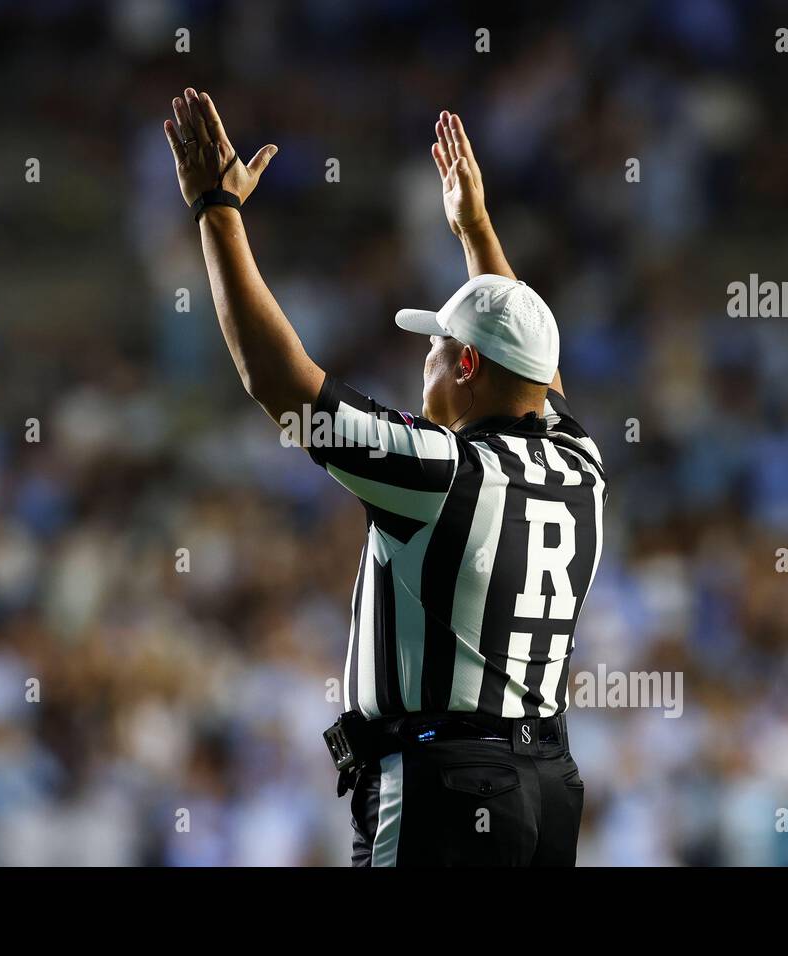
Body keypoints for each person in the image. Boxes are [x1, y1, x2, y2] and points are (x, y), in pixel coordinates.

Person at [164, 89, 606, 866]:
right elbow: (534, 379)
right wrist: (476, 232)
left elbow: (282, 384)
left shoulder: (441, 471)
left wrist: (215, 211)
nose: (423, 359)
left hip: (447, 785)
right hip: (547, 786)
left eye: (437, 345)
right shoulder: (579, 465)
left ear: (466, 364)